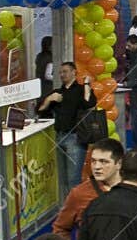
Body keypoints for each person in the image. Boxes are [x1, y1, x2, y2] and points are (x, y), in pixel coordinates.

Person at [52, 138, 124, 240]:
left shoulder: (135, 189)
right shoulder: (79, 193)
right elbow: (60, 228)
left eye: (103, 162)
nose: (96, 167)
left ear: (119, 163)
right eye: (93, 161)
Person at [39, 62, 96, 193]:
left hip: (75, 138)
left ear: (74, 72)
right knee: (62, 179)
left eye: (65, 71)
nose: (62, 75)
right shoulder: (57, 93)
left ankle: (76, 212)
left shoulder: (81, 90)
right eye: (60, 72)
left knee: (73, 179)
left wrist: (87, 84)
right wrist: (49, 100)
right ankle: (66, 210)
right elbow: (40, 110)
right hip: (59, 137)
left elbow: (89, 104)